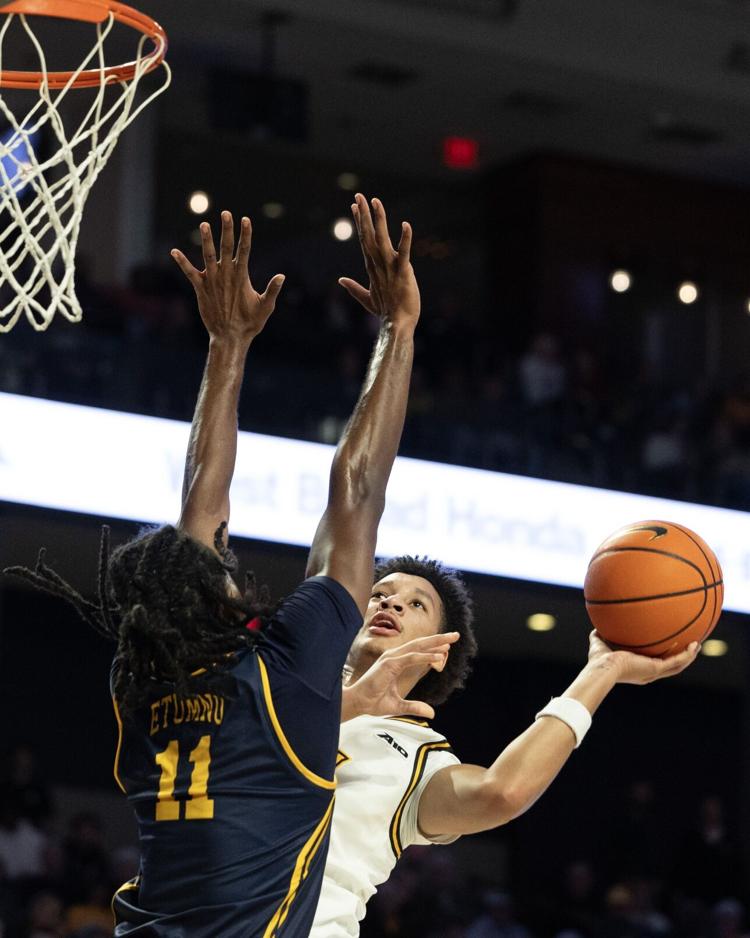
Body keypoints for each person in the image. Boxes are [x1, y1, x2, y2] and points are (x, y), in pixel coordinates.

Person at [4, 194, 428, 937]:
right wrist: (399, 329)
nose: (224, 545)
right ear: (217, 592)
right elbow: (355, 491)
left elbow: (200, 513)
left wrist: (227, 347)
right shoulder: (265, 671)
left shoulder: (152, 677)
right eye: (223, 557)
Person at [312, 552, 700, 936]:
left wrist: (603, 670)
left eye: (416, 604)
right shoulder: (283, 679)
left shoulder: (417, 756)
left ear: (439, 652)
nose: (390, 602)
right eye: (379, 595)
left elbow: (502, 792)